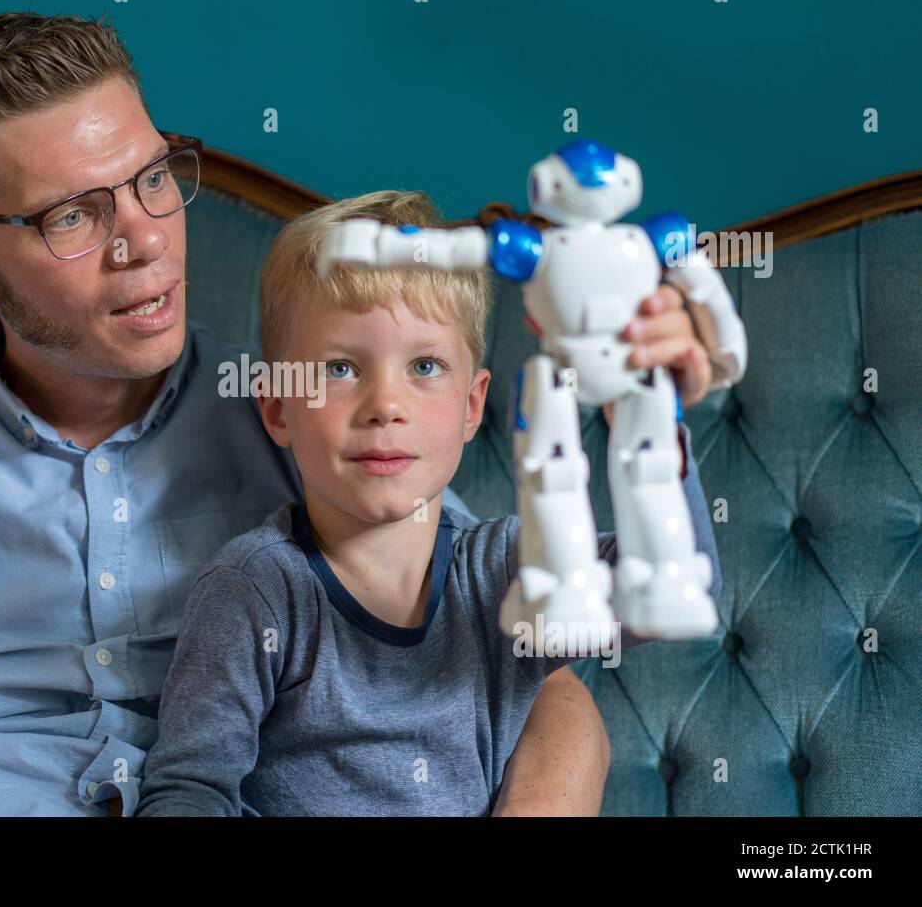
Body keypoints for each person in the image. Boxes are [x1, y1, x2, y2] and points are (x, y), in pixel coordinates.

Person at [0, 13, 718, 816]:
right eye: (72, 216)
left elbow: (521, 670)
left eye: (152, 180)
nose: (144, 244)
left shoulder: (301, 407)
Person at [135, 190, 721, 815]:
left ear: (473, 405)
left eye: (424, 366)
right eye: (339, 369)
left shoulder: (507, 569)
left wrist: (648, 419)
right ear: (278, 407)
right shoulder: (252, 590)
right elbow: (189, 789)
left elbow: (670, 591)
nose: (386, 404)